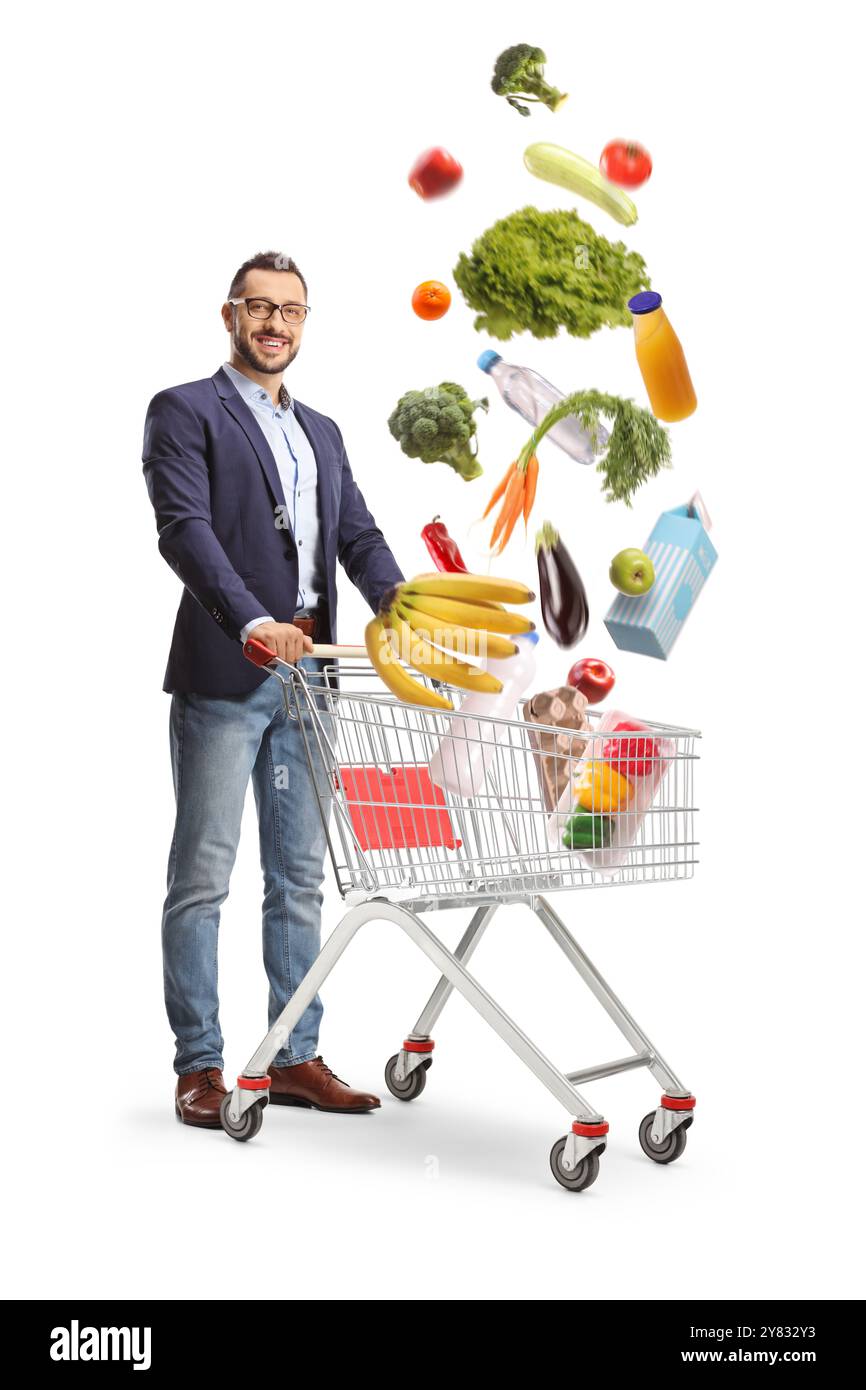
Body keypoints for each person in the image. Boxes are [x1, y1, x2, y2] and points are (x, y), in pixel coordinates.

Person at [142, 250, 405, 1127]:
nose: (275, 323)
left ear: (304, 322)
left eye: (290, 310)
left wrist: (402, 603)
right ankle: (201, 1067)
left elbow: (357, 534)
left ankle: (294, 1055)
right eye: (259, 307)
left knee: (298, 877)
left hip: (310, 684)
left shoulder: (322, 430)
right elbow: (185, 531)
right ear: (229, 316)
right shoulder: (185, 410)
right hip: (229, 674)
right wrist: (252, 620)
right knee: (203, 877)